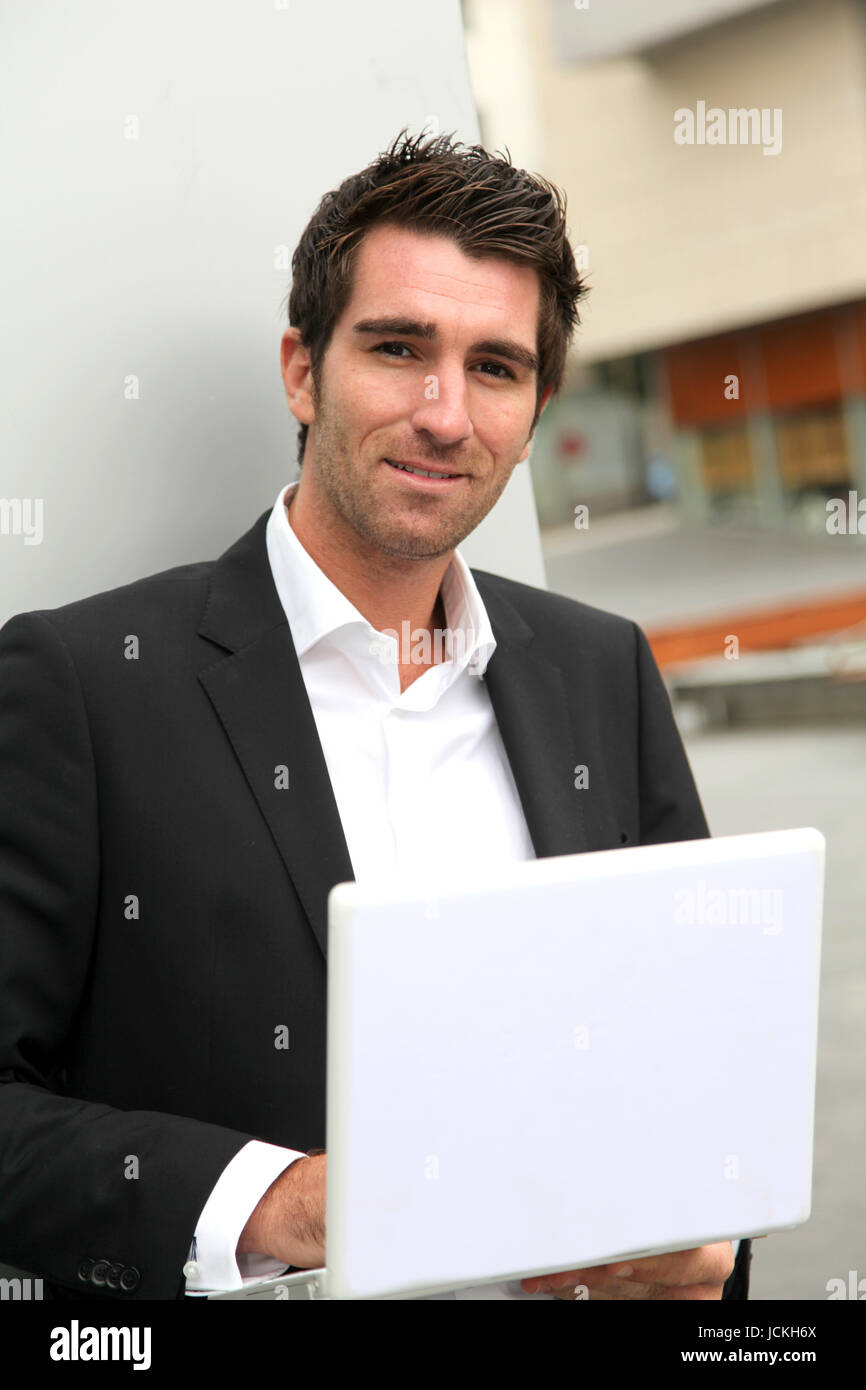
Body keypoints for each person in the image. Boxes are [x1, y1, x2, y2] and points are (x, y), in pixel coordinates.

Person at [0, 129, 750, 1301]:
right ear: (302, 371)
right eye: (399, 348)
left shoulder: (601, 668)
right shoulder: (84, 682)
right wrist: (276, 1202)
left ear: (536, 409)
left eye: (494, 367)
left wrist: (709, 1248)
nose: (445, 414)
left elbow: (694, 1070)